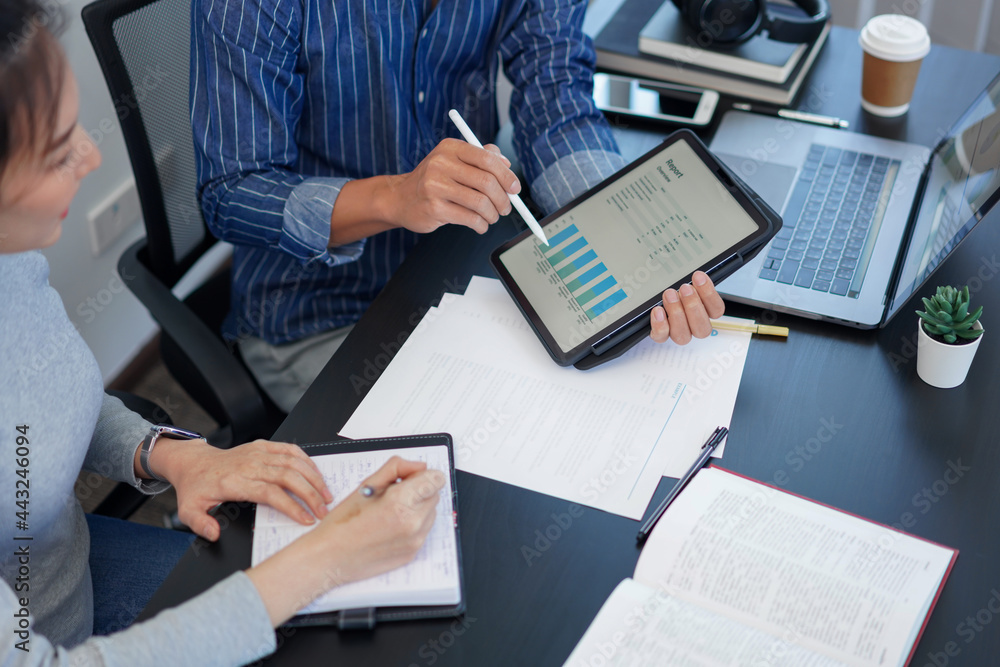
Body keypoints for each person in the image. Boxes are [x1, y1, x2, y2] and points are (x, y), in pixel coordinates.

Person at [0, 1, 443, 661]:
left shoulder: (13, 261)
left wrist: (174, 453)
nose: (92, 157)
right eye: (61, 149)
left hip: (74, 580)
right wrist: (324, 559)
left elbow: (41, 408)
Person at [192, 0, 726, 412]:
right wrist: (393, 198)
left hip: (471, 276)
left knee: (600, 405)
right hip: (323, 313)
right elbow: (232, 193)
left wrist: (620, 235)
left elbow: (555, 85)